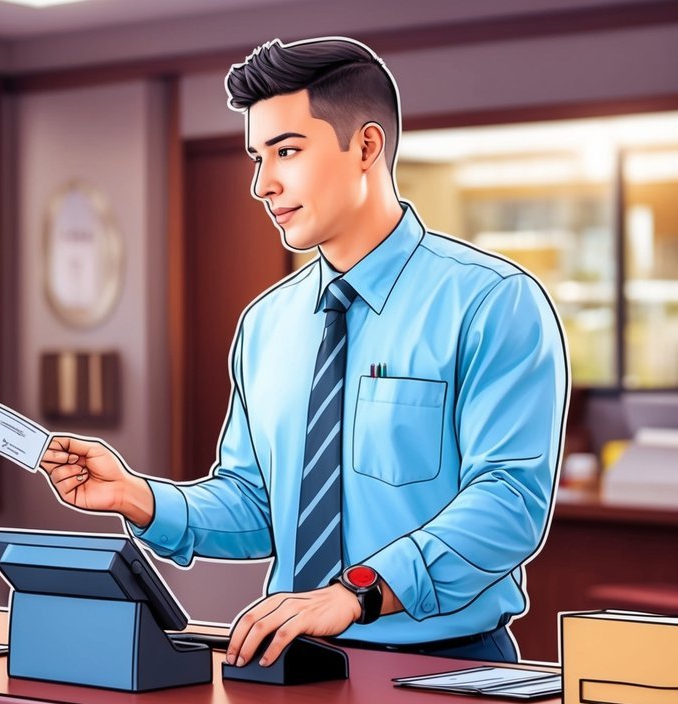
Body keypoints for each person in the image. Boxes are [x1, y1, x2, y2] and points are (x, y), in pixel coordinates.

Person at [39, 37, 567, 670]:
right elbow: (256, 505)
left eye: (287, 152)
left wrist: (358, 593)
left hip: (449, 668)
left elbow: (509, 502)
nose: (264, 184)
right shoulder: (267, 324)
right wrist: (138, 496)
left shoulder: (492, 304)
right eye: (257, 158)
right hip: (291, 664)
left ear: (366, 148)